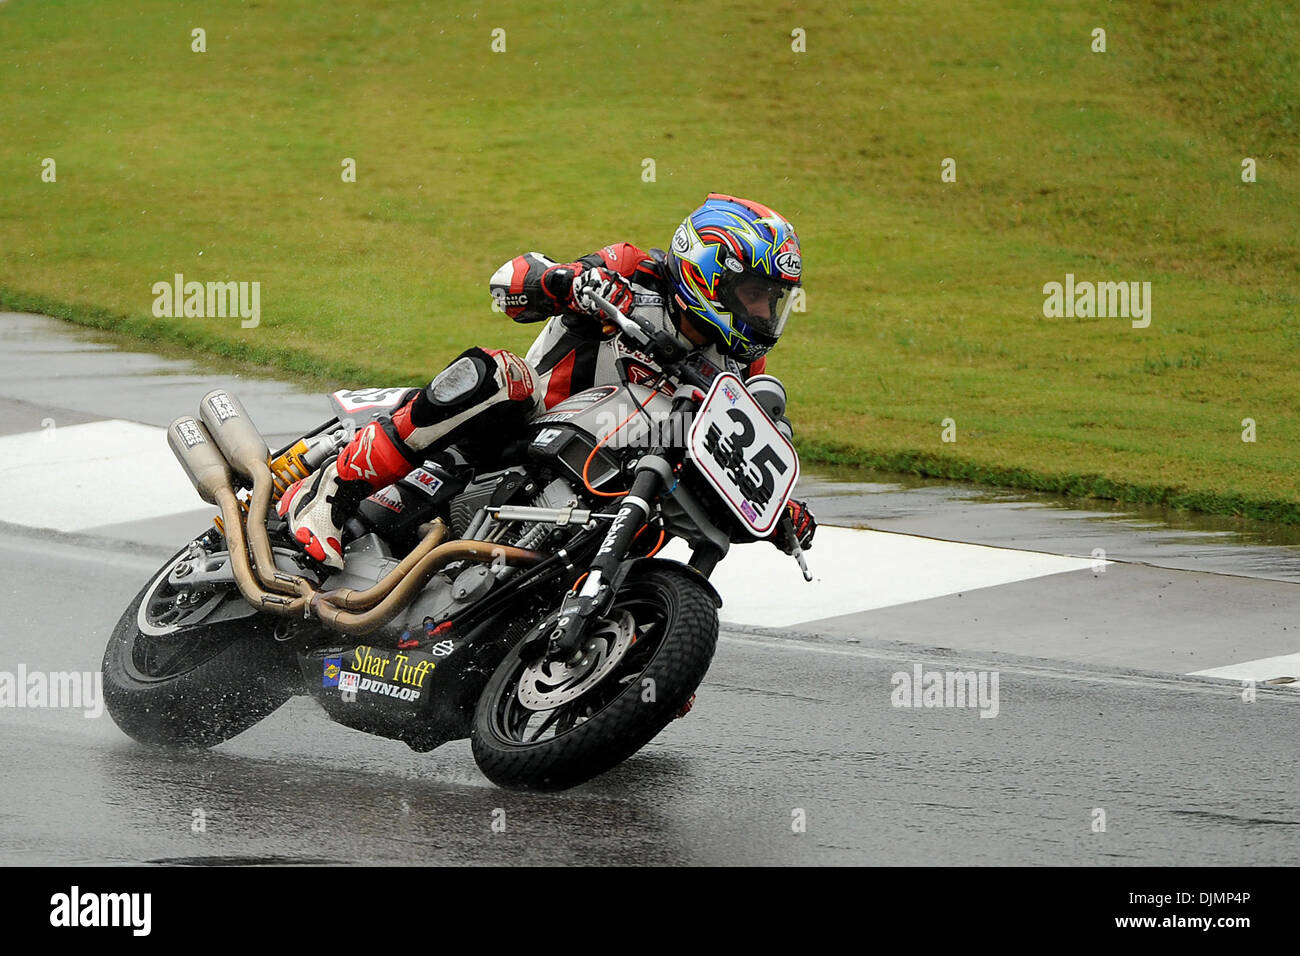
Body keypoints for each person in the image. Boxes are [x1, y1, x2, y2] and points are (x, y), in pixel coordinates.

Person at [278, 193, 817, 569]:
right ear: (709, 272)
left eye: (773, 300)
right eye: (754, 294)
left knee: (661, 521)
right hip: (518, 438)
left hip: (607, 486)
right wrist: (573, 282)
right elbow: (509, 282)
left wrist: (781, 507)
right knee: (499, 376)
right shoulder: (634, 271)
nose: (764, 312)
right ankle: (330, 495)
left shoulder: (737, 371)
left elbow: (753, 442)